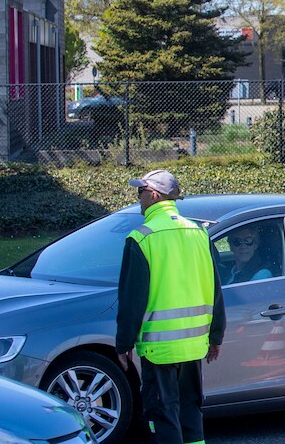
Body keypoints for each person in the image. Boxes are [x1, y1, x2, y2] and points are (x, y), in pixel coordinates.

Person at [116, 170, 225, 444]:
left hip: (159, 349)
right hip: (193, 346)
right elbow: (215, 290)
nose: (138, 198)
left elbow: (132, 298)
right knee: (190, 412)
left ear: (153, 195)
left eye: (140, 192)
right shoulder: (199, 233)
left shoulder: (142, 238)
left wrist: (123, 343)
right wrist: (216, 336)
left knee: (163, 416)